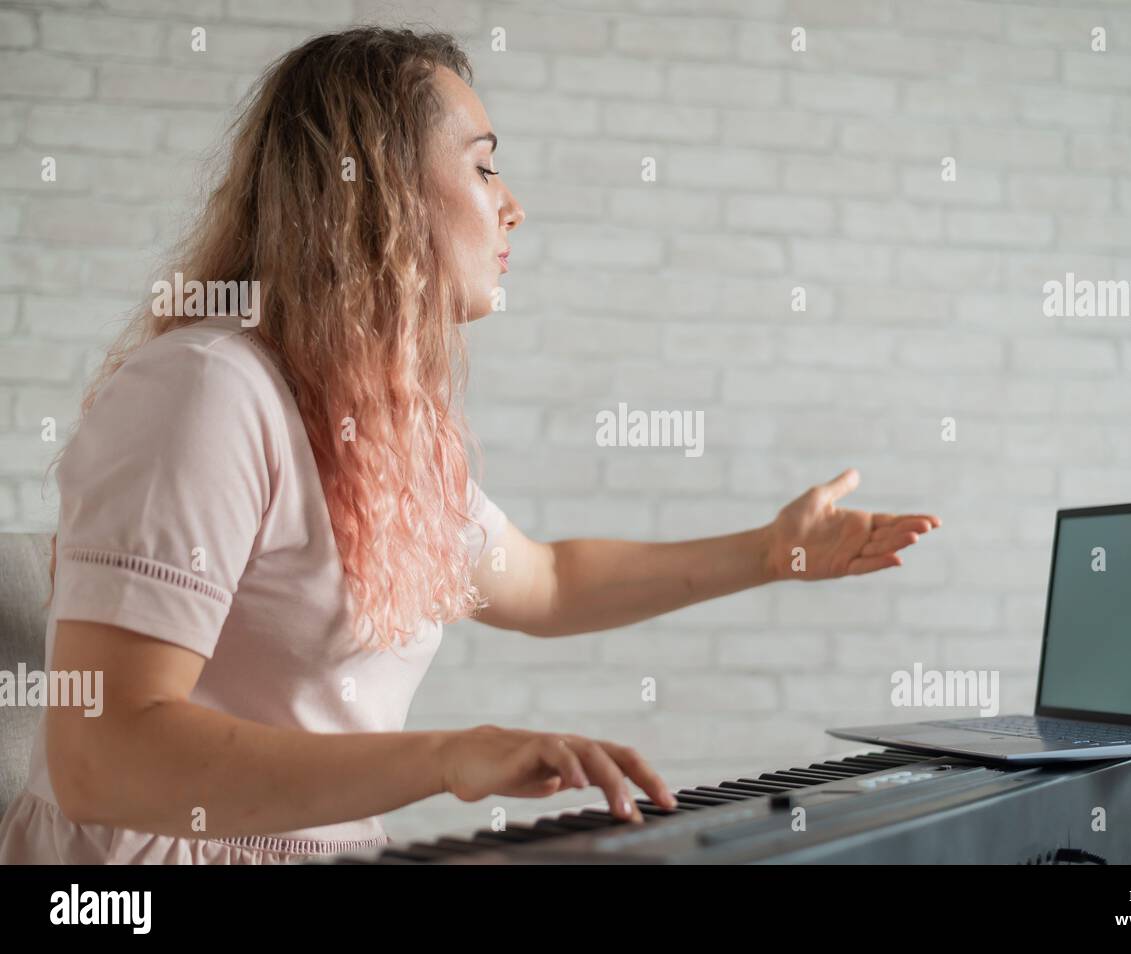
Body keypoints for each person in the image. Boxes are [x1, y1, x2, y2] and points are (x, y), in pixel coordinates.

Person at [0, 26, 940, 864]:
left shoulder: (377, 423)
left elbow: (548, 581)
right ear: (378, 186)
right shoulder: (208, 390)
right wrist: (449, 757)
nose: (512, 205)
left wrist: (772, 554)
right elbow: (102, 754)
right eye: (485, 166)